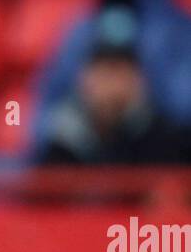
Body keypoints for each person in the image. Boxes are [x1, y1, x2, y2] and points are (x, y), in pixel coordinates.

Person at [36, 11, 191, 167]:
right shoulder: (61, 143)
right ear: (83, 78)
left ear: (138, 79)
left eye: (120, 69)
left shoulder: (165, 141)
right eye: (104, 70)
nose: (112, 84)